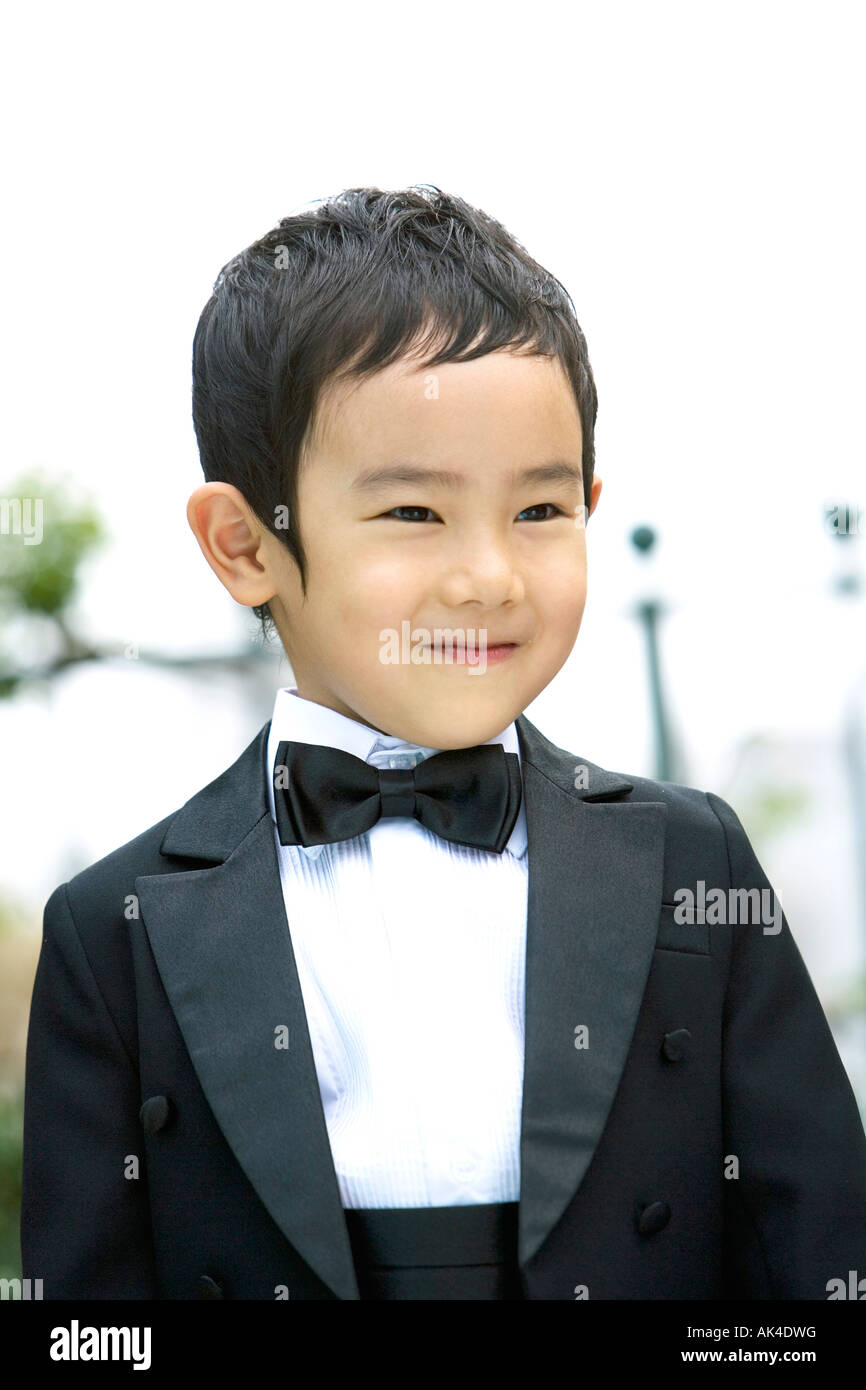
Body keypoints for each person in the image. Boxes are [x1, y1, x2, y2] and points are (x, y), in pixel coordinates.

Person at [20, 185, 866, 1300]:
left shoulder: (685, 863)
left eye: (539, 511)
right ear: (244, 545)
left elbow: (815, 1252)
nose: (488, 575)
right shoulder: (110, 926)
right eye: (414, 514)